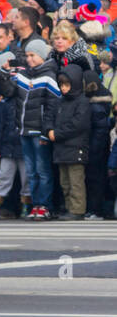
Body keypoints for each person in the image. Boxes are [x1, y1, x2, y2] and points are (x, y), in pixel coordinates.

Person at [17, 39, 60, 221]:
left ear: (41, 56)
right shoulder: (24, 75)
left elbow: (52, 107)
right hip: (24, 130)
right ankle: (35, 204)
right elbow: (11, 93)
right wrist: (4, 73)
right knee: (31, 171)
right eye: (27, 56)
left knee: (43, 171)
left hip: (39, 131)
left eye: (33, 55)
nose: (29, 59)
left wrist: (46, 130)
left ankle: (45, 205)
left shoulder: (49, 76)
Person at [50, 64, 91, 221]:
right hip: (61, 148)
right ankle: (69, 208)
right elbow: (50, 117)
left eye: (67, 84)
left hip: (76, 147)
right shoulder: (60, 102)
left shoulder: (82, 102)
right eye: (61, 85)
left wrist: (57, 133)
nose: (64, 88)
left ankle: (77, 209)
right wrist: (49, 130)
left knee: (76, 182)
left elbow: (78, 124)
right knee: (65, 182)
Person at [0, 50, 23, 219]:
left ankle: (26, 205)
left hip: (21, 140)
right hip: (7, 141)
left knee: (27, 177)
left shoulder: (15, 91)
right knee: (4, 176)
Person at [82, 70, 113, 220]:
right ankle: (96, 209)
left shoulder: (94, 104)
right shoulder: (103, 99)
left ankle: (95, 209)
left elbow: (98, 129)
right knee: (97, 178)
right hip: (100, 146)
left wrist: (91, 150)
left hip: (96, 147)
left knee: (94, 179)